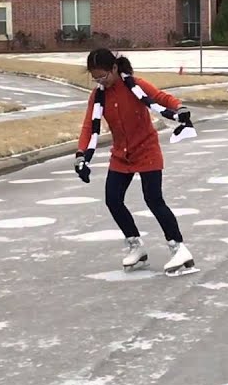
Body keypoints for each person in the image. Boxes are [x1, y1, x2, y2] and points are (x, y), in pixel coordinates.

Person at [74, 48, 198, 276]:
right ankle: (135, 246)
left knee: (153, 200)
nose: (101, 82)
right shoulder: (99, 96)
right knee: (113, 200)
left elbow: (161, 98)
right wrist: (81, 155)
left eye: (104, 76)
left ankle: (179, 248)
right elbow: (88, 127)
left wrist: (179, 107)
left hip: (146, 150)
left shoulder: (135, 85)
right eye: (96, 78)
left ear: (114, 68)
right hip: (121, 155)